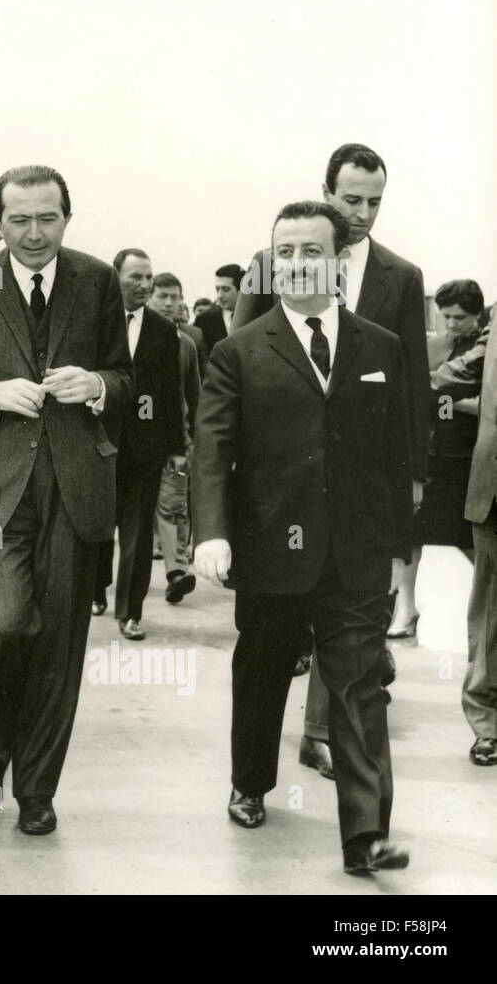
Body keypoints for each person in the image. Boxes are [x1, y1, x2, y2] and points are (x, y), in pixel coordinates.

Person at [194, 200, 412, 875]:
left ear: (338, 259)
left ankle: (366, 836)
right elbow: (212, 446)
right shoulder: (239, 351)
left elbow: (400, 451)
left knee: (358, 688)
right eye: (283, 252)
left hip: (356, 553)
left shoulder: (382, 346)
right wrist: (212, 533)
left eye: (310, 251)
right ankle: (251, 782)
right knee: (261, 677)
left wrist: (404, 551)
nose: (294, 264)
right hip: (269, 550)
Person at [0, 165, 131, 835]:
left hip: (76, 488)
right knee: (6, 626)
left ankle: (37, 791)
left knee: (61, 647)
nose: (34, 232)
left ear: (66, 218)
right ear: (0, 224)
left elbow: (129, 380)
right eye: (19, 219)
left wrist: (97, 384)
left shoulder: (98, 280)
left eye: (47, 217)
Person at [233, 143, 430, 783]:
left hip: (358, 490)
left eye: (375, 201)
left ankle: (322, 737)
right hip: (280, 494)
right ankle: (254, 777)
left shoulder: (401, 277)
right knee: (268, 650)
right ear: (326, 192)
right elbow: (238, 361)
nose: (364, 212)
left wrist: (415, 479)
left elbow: (413, 389)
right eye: (351, 199)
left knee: (351, 645)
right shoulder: (273, 263)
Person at [93, 249, 184, 637]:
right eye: (136, 277)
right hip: (97, 445)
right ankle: (96, 589)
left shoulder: (164, 332)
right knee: (97, 527)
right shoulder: (95, 321)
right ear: (116, 277)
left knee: (136, 533)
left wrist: (176, 447)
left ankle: (130, 612)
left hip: (144, 448)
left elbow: (169, 392)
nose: (145, 285)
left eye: (149, 277)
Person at [387, 279, 484, 637]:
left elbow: (483, 404)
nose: (452, 323)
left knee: (469, 537)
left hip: (467, 457)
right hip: (430, 454)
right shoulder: (432, 345)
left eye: (460, 317)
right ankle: (406, 608)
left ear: (477, 314)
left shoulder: (485, 349)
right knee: (413, 534)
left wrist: (446, 401)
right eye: (446, 316)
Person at [436, 326, 497, 764]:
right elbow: (453, 374)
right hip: (493, 489)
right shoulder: (494, 332)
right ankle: (487, 724)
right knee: (491, 610)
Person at [148, 272, 200, 603]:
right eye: (162, 296)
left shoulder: (187, 345)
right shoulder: (130, 337)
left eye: (175, 297)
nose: (169, 303)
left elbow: (194, 396)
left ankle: (176, 572)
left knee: (173, 508)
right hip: (133, 442)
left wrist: (190, 440)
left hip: (175, 443)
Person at [195, 264, 238, 355]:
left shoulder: (256, 315)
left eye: (225, 289)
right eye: (217, 289)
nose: (219, 295)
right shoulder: (204, 320)